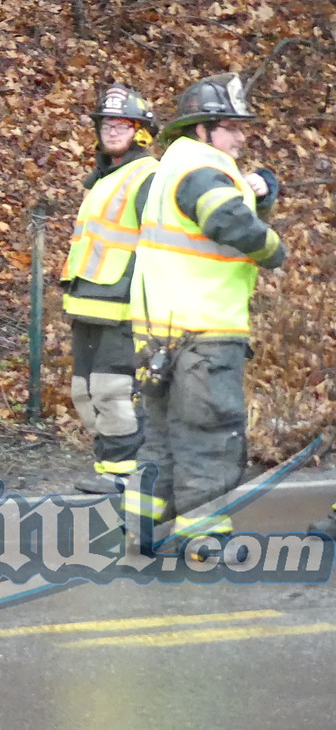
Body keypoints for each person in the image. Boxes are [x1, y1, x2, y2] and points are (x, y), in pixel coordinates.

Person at [126, 73, 284, 557]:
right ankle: (205, 535)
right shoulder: (204, 168)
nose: (240, 137)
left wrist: (259, 191)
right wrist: (274, 249)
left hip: (158, 331)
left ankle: (145, 528)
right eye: (230, 127)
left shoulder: (167, 169)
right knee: (210, 433)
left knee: (160, 435)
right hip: (205, 330)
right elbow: (227, 220)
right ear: (202, 130)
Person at [59, 85, 160, 495]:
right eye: (106, 123)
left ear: (141, 132)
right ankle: (111, 467)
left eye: (122, 124)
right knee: (84, 393)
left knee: (113, 391)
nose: (112, 130)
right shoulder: (104, 177)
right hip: (87, 302)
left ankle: (125, 474)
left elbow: (158, 246)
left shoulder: (148, 176)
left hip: (124, 305)